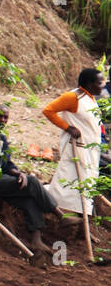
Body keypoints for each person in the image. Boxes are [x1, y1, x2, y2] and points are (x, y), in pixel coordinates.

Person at [0, 105, 57, 256]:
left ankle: (36, 239)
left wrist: (18, 173)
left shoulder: (1, 137)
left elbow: (6, 163)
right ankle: (57, 213)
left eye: (5, 117)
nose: (2, 120)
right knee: (32, 181)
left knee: (28, 199)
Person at [41, 67, 105, 218]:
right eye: (99, 82)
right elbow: (48, 110)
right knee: (71, 181)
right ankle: (48, 203)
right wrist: (68, 127)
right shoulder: (73, 97)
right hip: (76, 149)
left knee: (85, 184)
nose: (102, 85)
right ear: (90, 84)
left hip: (90, 151)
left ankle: (82, 223)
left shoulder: (90, 98)